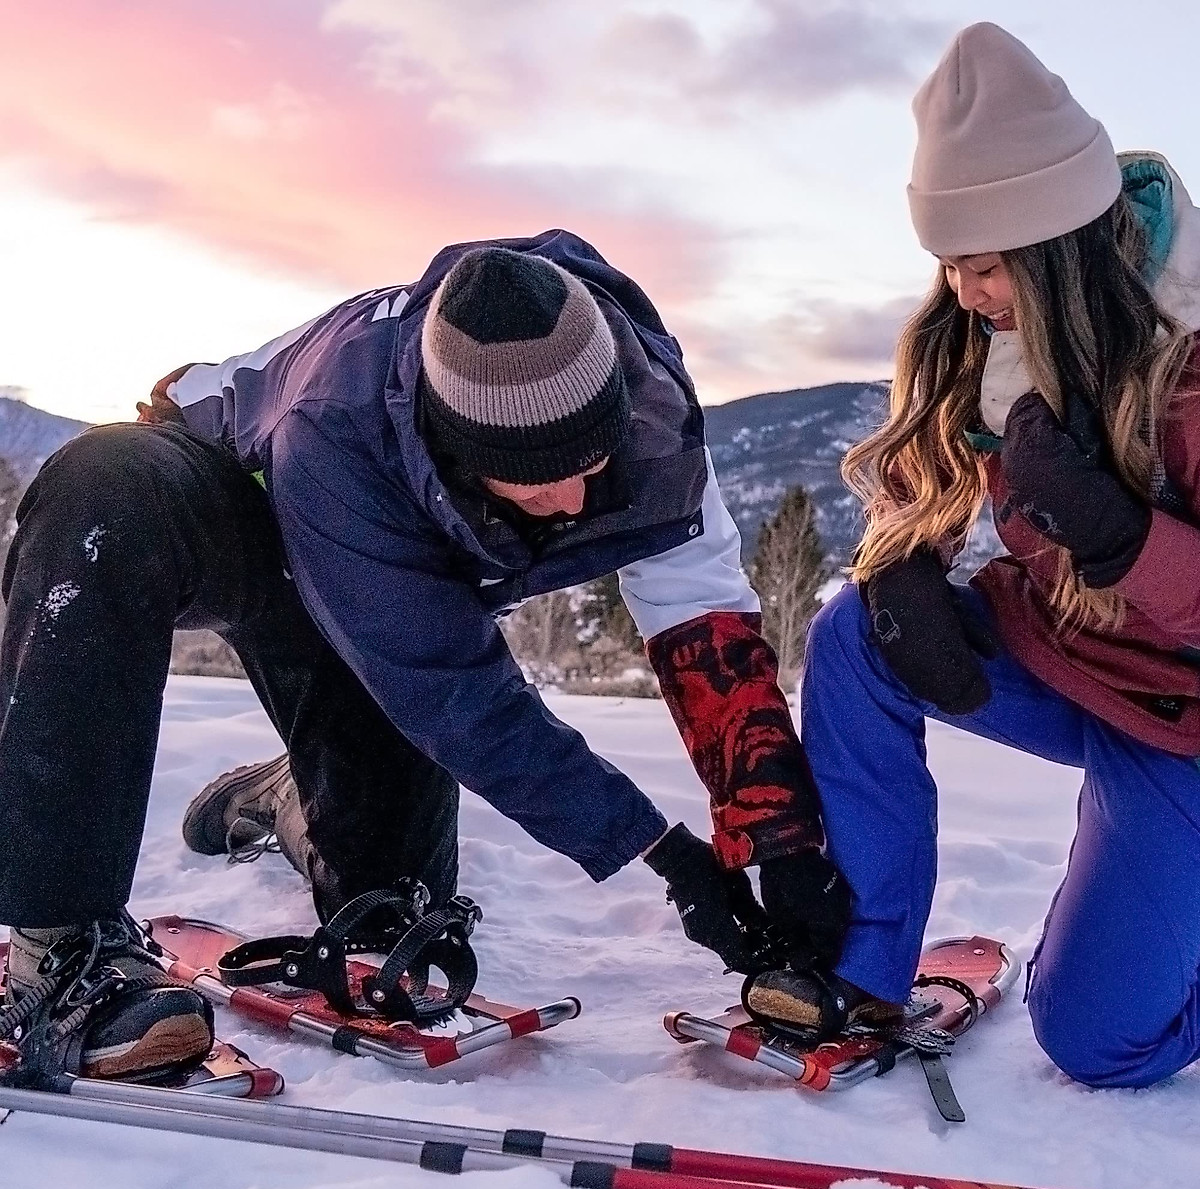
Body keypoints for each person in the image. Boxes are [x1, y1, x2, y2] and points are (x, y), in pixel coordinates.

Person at [0, 232, 849, 1079]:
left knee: (390, 896)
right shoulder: (335, 428)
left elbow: (704, 627)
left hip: (393, 585)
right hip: (236, 506)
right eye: (534, 482)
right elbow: (457, 695)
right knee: (106, 487)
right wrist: (666, 854)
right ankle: (59, 936)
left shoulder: (650, 413)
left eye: (592, 462)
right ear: (458, 454)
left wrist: (776, 839)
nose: (572, 498)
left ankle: (297, 791)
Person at [751, 23, 1200, 1088]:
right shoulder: (990, 342)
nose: (961, 292)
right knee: (856, 634)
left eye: (984, 267)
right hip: (1080, 664)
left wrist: (1122, 538)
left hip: (1185, 729)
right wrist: (902, 563)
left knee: (1099, 1045)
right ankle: (859, 970)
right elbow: (920, 482)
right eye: (948, 265)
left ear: (1059, 250)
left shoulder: (1190, 372)